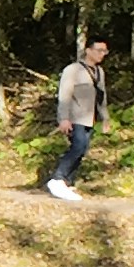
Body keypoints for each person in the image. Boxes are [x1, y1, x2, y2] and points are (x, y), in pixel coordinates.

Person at [47, 38, 108, 199]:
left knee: (83, 149)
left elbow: (102, 96)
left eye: (104, 51)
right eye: (99, 50)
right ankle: (57, 178)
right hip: (75, 116)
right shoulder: (72, 70)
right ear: (88, 50)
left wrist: (105, 117)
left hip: (90, 117)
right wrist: (64, 118)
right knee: (78, 146)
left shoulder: (99, 72)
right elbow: (64, 94)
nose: (102, 54)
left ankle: (67, 182)